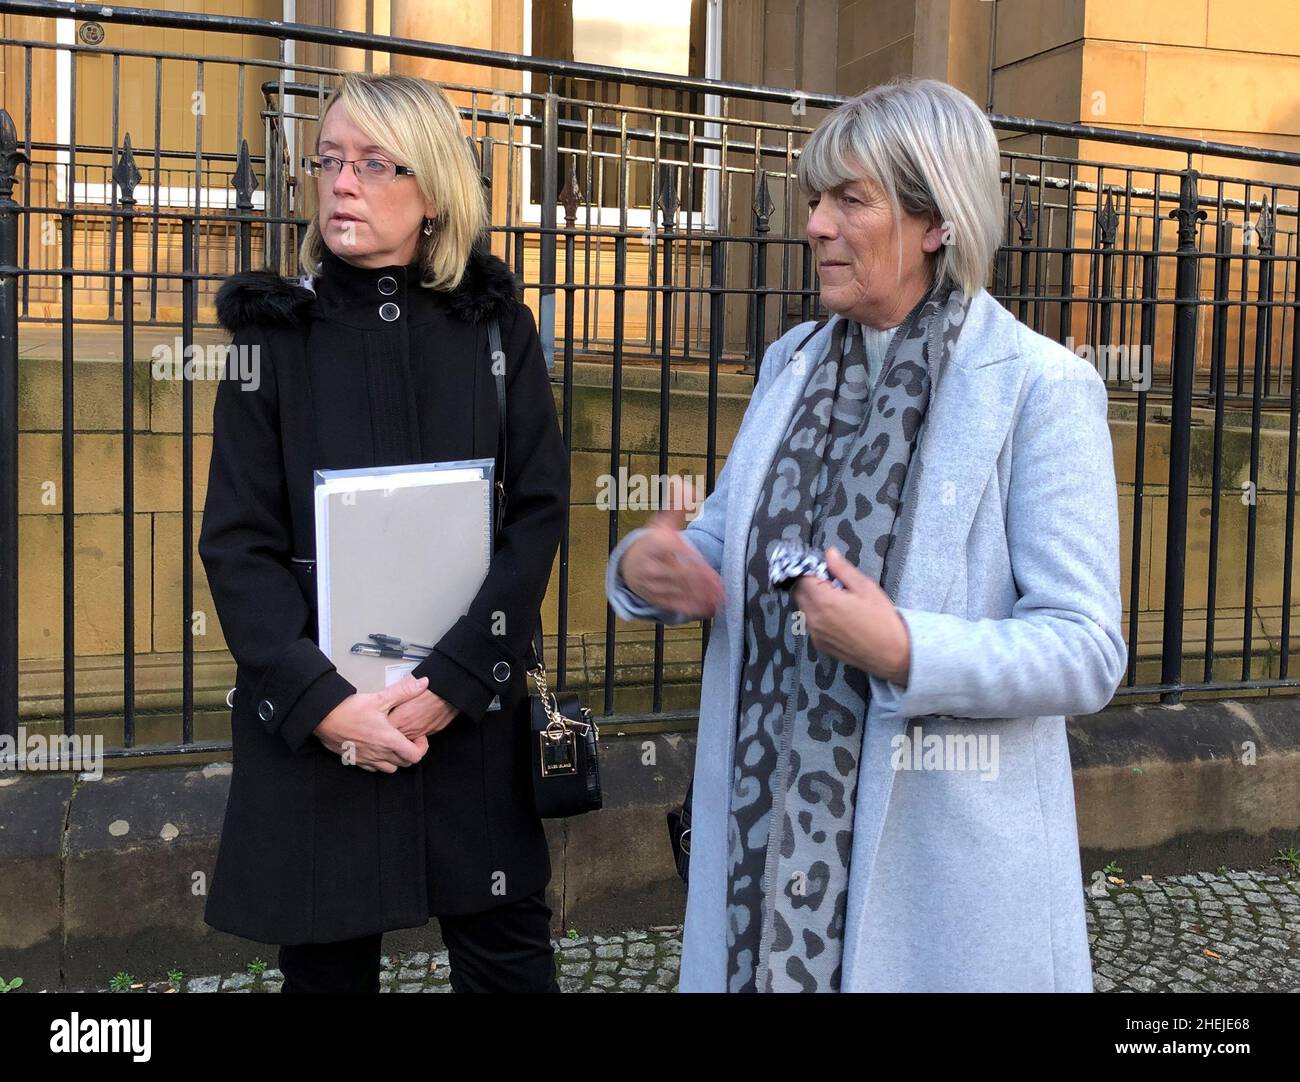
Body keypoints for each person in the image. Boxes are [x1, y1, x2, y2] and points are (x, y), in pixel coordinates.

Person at [606, 76, 1126, 992]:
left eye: (852, 199)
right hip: (760, 856)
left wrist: (906, 648)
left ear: (937, 221)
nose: (816, 224)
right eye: (815, 198)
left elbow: (1086, 650)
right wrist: (656, 569)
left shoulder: (1039, 388)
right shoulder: (791, 362)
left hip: (937, 885)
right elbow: (722, 543)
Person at [199, 72, 568, 992]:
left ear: (434, 191)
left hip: (469, 720)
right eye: (327, 161)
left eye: (371, 163)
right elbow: (237, 542)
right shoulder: (270, 337)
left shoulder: (498, 332)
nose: (340, 184)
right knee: (325, 972)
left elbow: (536, 514)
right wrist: (321, 705)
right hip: (326, 729)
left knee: (510, 966)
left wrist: (457, 680)